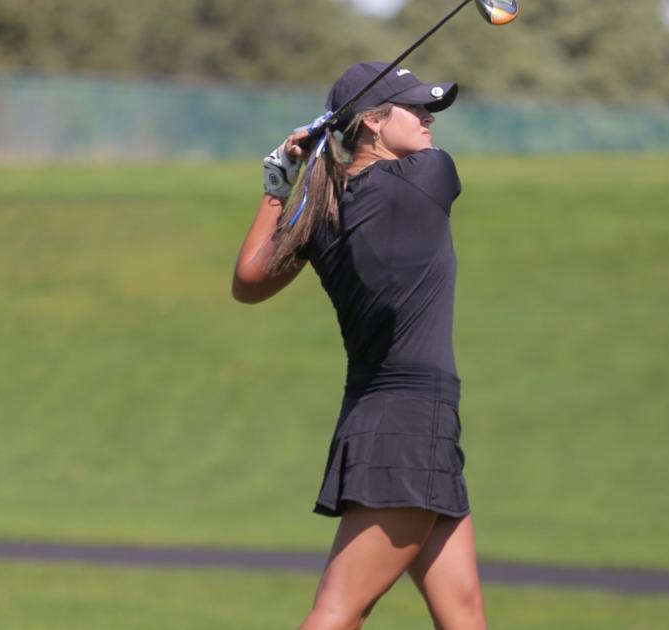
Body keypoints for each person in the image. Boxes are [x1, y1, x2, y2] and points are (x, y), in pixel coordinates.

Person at [232, 61, 484, 630]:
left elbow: (248, 281)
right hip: (410, 426)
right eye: (415, 107)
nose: (428, 119)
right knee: (339, 612)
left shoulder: (317, 213)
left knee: (463, 612)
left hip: (394, 420)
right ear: (371, 122)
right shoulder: (430, 175)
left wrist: (279, 186)